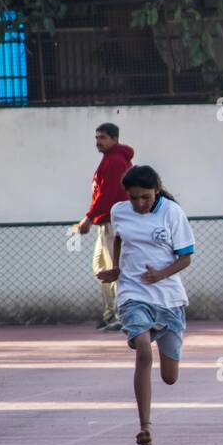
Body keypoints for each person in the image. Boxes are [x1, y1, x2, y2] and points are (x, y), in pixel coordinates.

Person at [96, 166, 195, 445]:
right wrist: (117, 269)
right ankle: (144, 426)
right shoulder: (119, 211)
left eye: (145, 198)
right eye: (134, 198)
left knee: (169, 377)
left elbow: (186, 257)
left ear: (157, 190)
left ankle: (168, 342)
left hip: (169, 298)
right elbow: (118, 237)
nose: (139, 204)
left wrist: (160, 275)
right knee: (141, 348)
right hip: (132, 292)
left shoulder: (173, 213)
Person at [77, 123, 134, 331]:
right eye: (96, 138)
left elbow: (107, 194)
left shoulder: (116, 161)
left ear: (114, 139)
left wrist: (88, 218)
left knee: (115, 270)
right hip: (105, 222)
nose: (98, 142)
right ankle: (111, 314)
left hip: (113, 222)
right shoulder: (109, 160)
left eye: (102, 138)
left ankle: (123, 316)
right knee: (101, 269)